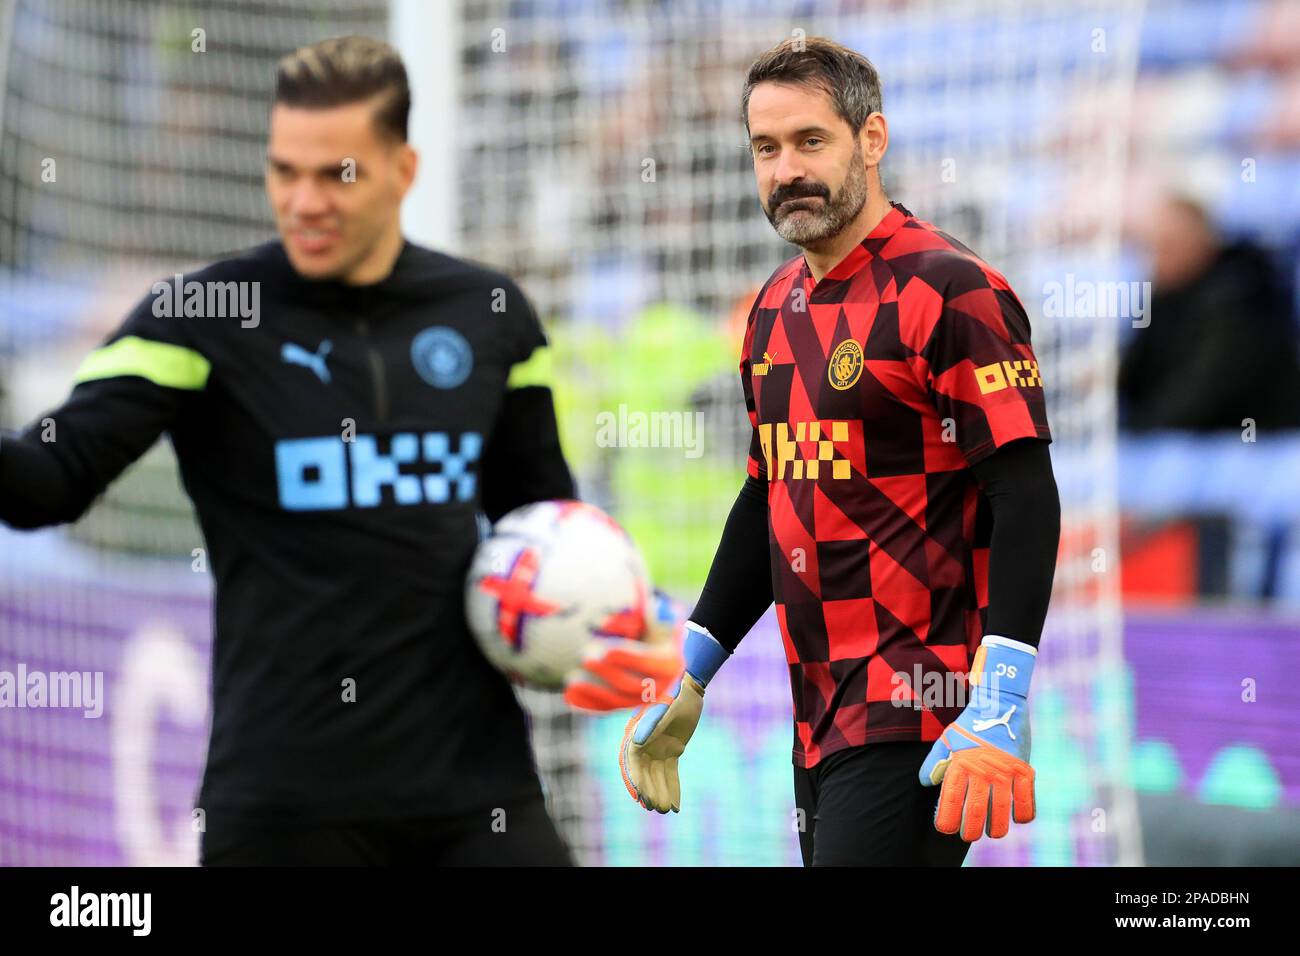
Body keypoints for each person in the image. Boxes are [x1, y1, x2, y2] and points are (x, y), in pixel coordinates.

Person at [0, 35, 670, 867]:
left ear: (403, 170)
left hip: (475, 800)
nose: (304, 200)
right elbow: (45, 484)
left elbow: (550, 529)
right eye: (286, 171)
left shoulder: (489, 313)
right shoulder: (202, 313)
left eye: (336, 174)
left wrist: (644, 631)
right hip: (281, 813)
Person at [617, 37, 1062, 866]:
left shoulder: (949, 288)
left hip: (922, 710)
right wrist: (692, 670)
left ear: (871, 139)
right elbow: (767, 497)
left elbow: (1025, 492)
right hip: (818, 711)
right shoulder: (772, 309)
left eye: (810, 142)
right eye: (766, 148)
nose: (786, 170)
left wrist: (1001, 692)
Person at [1119, 194, 1300, 431]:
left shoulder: (1238, 298)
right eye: (1152, 247)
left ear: (1203, 241)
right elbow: (1134, 376)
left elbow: (1200, 397)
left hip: (1258, 448)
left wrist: (1135, 430)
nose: (1158, 259)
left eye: (1170, 245)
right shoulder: (1162, 298)